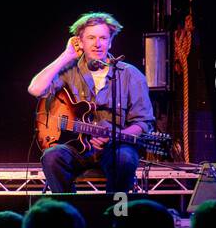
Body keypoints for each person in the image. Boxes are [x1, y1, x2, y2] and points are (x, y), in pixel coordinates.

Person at [28, 12, 155, 196]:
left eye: (103, 38)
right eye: (91, 38)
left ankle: (115, 217)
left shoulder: (130, 75)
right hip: (77, 148)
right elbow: (36, 89)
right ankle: (69, 213)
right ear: (80, 41)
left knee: (125, 159)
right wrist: (66, 56)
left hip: (115, 147)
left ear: (110, 42)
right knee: (52, 156)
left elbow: (143, 123)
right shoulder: (68, 71)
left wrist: (116, 136)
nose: (97, 43)